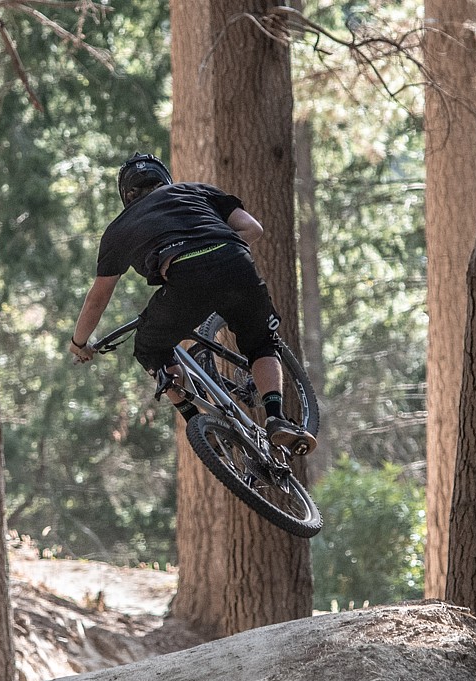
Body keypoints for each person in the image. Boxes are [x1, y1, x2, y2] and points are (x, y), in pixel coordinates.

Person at [66, 152, 316, 454]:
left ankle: (198, 425)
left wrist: (79, 342)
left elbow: (98, 297)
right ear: (164, 179)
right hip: (235, 259)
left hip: (184, 274)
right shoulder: (197, 190)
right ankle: (277, 418)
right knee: (261, 342)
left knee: (150, 348)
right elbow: (254, 229)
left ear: (127, 195)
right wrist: (219, 255)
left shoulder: (121, 226)